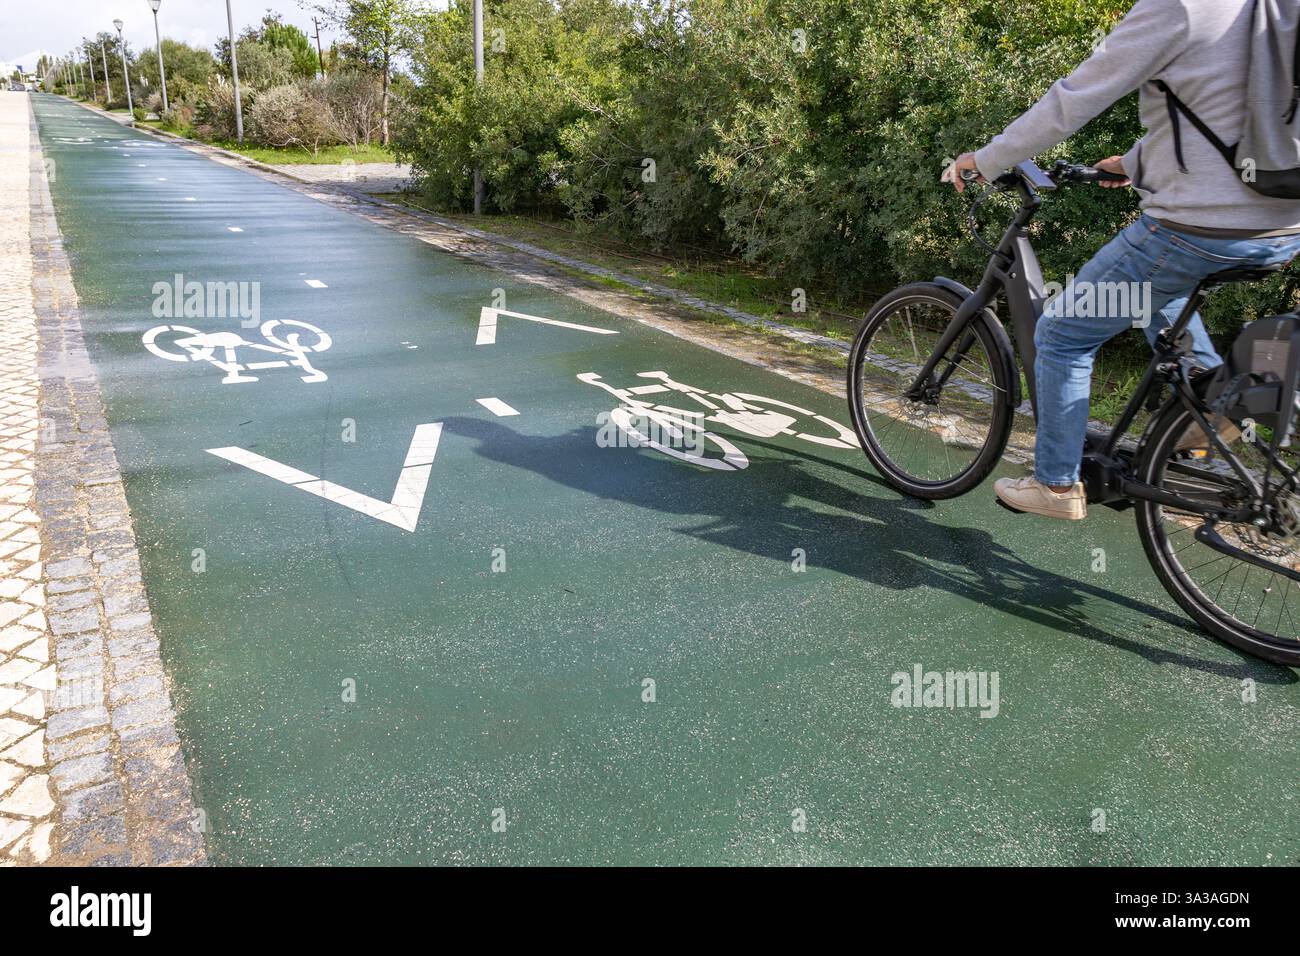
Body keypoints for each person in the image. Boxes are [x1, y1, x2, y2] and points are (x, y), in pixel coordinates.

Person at [946, 0, 1300, 520]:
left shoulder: (1181, 6)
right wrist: (1135, 161)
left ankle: (1056, 485)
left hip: (1197, 226)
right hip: (1283, 228)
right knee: (1148, 290)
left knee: (1063, 332)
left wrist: (987, 158)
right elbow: (1240, 107)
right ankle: (1206, 405)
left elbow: (1073, 99)